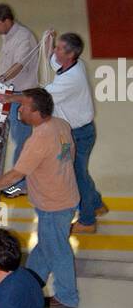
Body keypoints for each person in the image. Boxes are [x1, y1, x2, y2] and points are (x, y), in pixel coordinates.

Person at [0, 87, 79, 308]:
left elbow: (15, 174)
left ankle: (67, 297)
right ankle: (30, 283)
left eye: (23, 107)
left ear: (37, 112)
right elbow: (69, 156)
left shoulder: (39, 139)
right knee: (46, 246)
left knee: (58, 251)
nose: (19, 110)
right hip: (64, 195)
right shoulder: (61, 125)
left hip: (53, 204)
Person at [43, 31, 107, 235]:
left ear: (70, 55)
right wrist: (49, 42)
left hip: (77, 135)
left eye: (59, 48)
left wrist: (14, 99)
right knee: (81, 173)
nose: (55, 51)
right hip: (77, 132)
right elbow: (52, 60)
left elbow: (43, 97)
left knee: (78, 177)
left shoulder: (70, 79)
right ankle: (96, 204)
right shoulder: (73, 65)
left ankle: (87, 221)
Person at [0, 4, 39, 196]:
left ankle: (20, 184)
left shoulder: (23, 38)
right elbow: (8, 64)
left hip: (21, 96)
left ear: (7, 21)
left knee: (22, 140)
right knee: (17, 137)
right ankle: (18, 178)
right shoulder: (7, 35)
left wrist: (2, 80)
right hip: (9, 92)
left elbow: (19, 65)